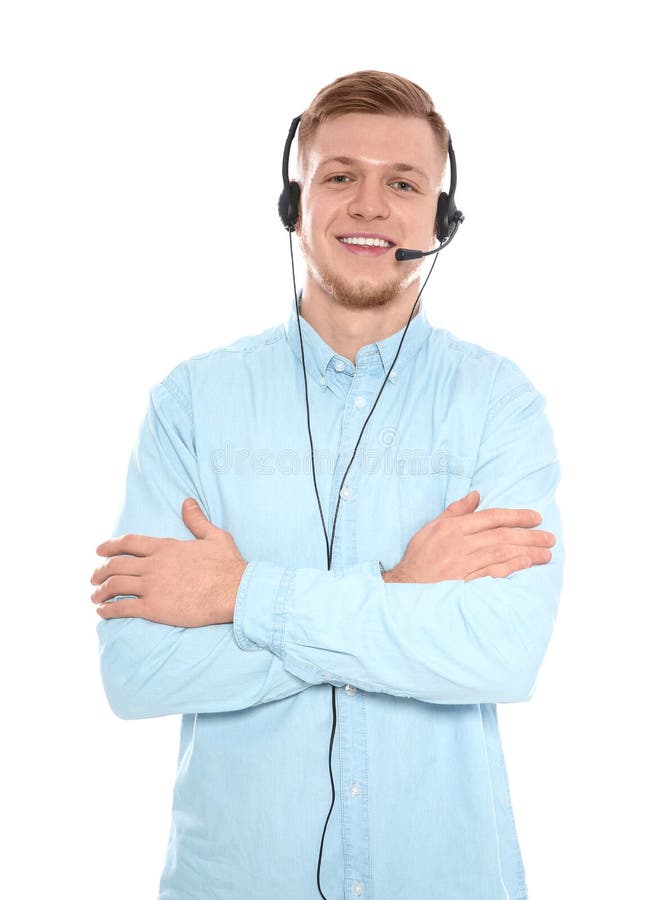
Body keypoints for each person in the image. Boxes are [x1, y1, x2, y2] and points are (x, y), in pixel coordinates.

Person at [91, 69, 564, 900]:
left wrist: (238, 596)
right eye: (341, 176)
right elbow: (140, 672)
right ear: (294, 204)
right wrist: (398, 591)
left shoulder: (499, 403)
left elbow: (501, 654)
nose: (370, 207)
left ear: (441, 219)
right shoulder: (192, 404)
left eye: (403, 184)